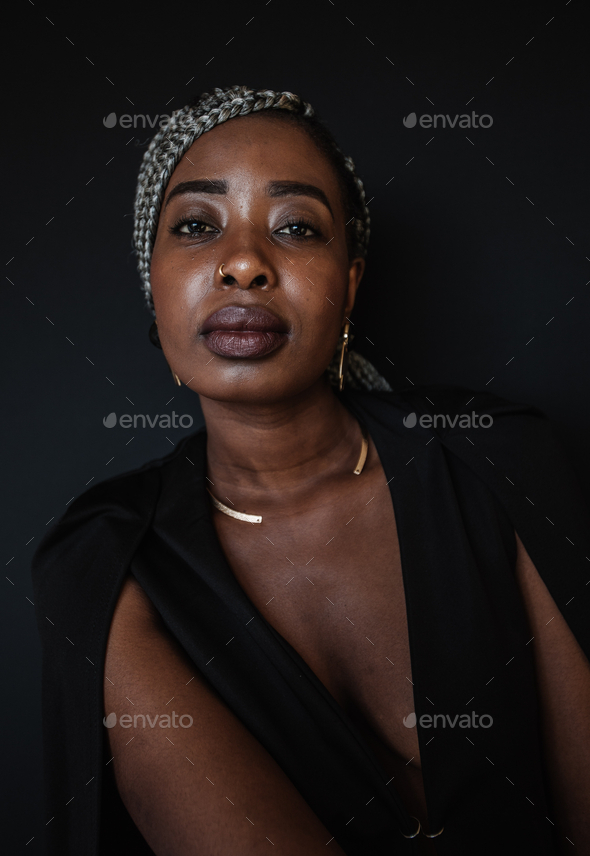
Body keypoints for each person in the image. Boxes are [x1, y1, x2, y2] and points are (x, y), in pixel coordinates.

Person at [32, 85, 590, 856]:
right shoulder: (109, 562)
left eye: (295, 227)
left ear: (351, 285)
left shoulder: (495, 455)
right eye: (197, 225)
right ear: (152, 287)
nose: (243, 263)